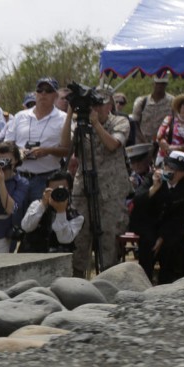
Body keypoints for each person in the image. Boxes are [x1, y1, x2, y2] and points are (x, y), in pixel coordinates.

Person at [61, 86, 131, 276]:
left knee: (107, 239)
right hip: (83, 188)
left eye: (100, 104)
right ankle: (77, 282)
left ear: (110, 105)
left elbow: (112, 145)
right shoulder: (80, 123)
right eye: (93, 104)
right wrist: (69, 114)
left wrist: (96, 125)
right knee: (80, 238)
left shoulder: (120, 121)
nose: (96, 109)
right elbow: (65, 146)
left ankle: (107, 282)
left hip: (110, 190)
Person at [0, 78, 68, 228]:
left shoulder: (63, 118)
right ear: (35, 94)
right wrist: (19, 153)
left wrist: (46, 151)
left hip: (46, 179)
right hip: (19, 177)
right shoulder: (20, 116)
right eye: (40, 90)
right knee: (14, 222)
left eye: (48, 91)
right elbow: (7, 145)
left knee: (40, 225)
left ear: (55, 95)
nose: (43, 94)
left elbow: (67, 150)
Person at [132, 151, 184, 284]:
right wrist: (154, 188)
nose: (172, 173)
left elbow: (180, 216)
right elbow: (138, 201)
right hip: (147, 225)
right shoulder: (152, 178)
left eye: (177, 170)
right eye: (169, 168)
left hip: (170, 227)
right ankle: (143, 283)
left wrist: (162, 237)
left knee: (171, 247)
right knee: (148, 246)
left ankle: (166, 283)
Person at [20, 170, 84, 254]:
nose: (58, 193)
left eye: (62, 189)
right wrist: (42, 205)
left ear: (70, 191)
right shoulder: (36, 205)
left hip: (57, 260)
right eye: (53, 190)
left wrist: (61, 212)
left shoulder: (76, 217)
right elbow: (26, 227)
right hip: (32, 255)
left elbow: (64, 239)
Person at [131, 73, 173, 158]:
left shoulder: (172, 101)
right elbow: (135, 123)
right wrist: (143, 140)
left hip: (164, 143)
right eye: (158, 83)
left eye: (163, 84)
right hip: (144, 142)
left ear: (166, 85)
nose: (160, 86)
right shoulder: (142, 101)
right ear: (153, 83)